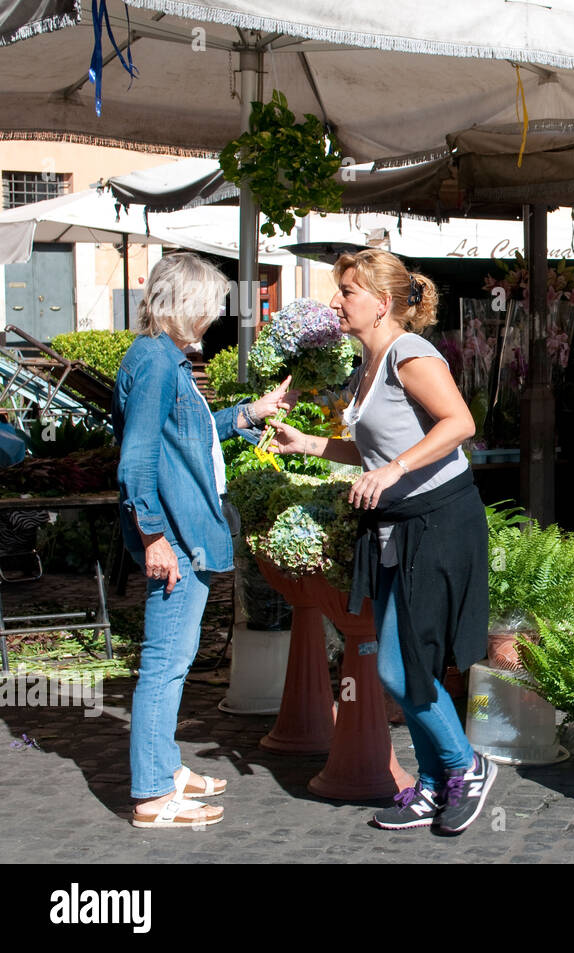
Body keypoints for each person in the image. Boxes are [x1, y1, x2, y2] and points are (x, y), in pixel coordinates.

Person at [267, 249, 494, 836]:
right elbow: (370, 449)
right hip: (396, 529)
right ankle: (433, 783)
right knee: (401, 664)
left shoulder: (410, 354)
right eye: (340, 289)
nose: (337, 301)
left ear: (382, 303)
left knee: (400, 668)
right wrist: (311, 444)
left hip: (439, 523)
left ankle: (465, 768)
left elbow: (459, 424)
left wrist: (392, 472)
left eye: (348, 291)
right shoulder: (363, 365)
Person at [116, 253, 293, 828]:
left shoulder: (164, 360)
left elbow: (186, 439)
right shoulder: (157, 364)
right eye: (213, 304)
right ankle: (151, 793)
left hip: (187, 530)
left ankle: (165, 768)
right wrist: (153, 537)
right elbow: (137, 458)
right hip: (177, 534)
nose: (216, 316)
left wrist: (247, 413)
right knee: (165, 664)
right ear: (187, 303)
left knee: (176, 660)